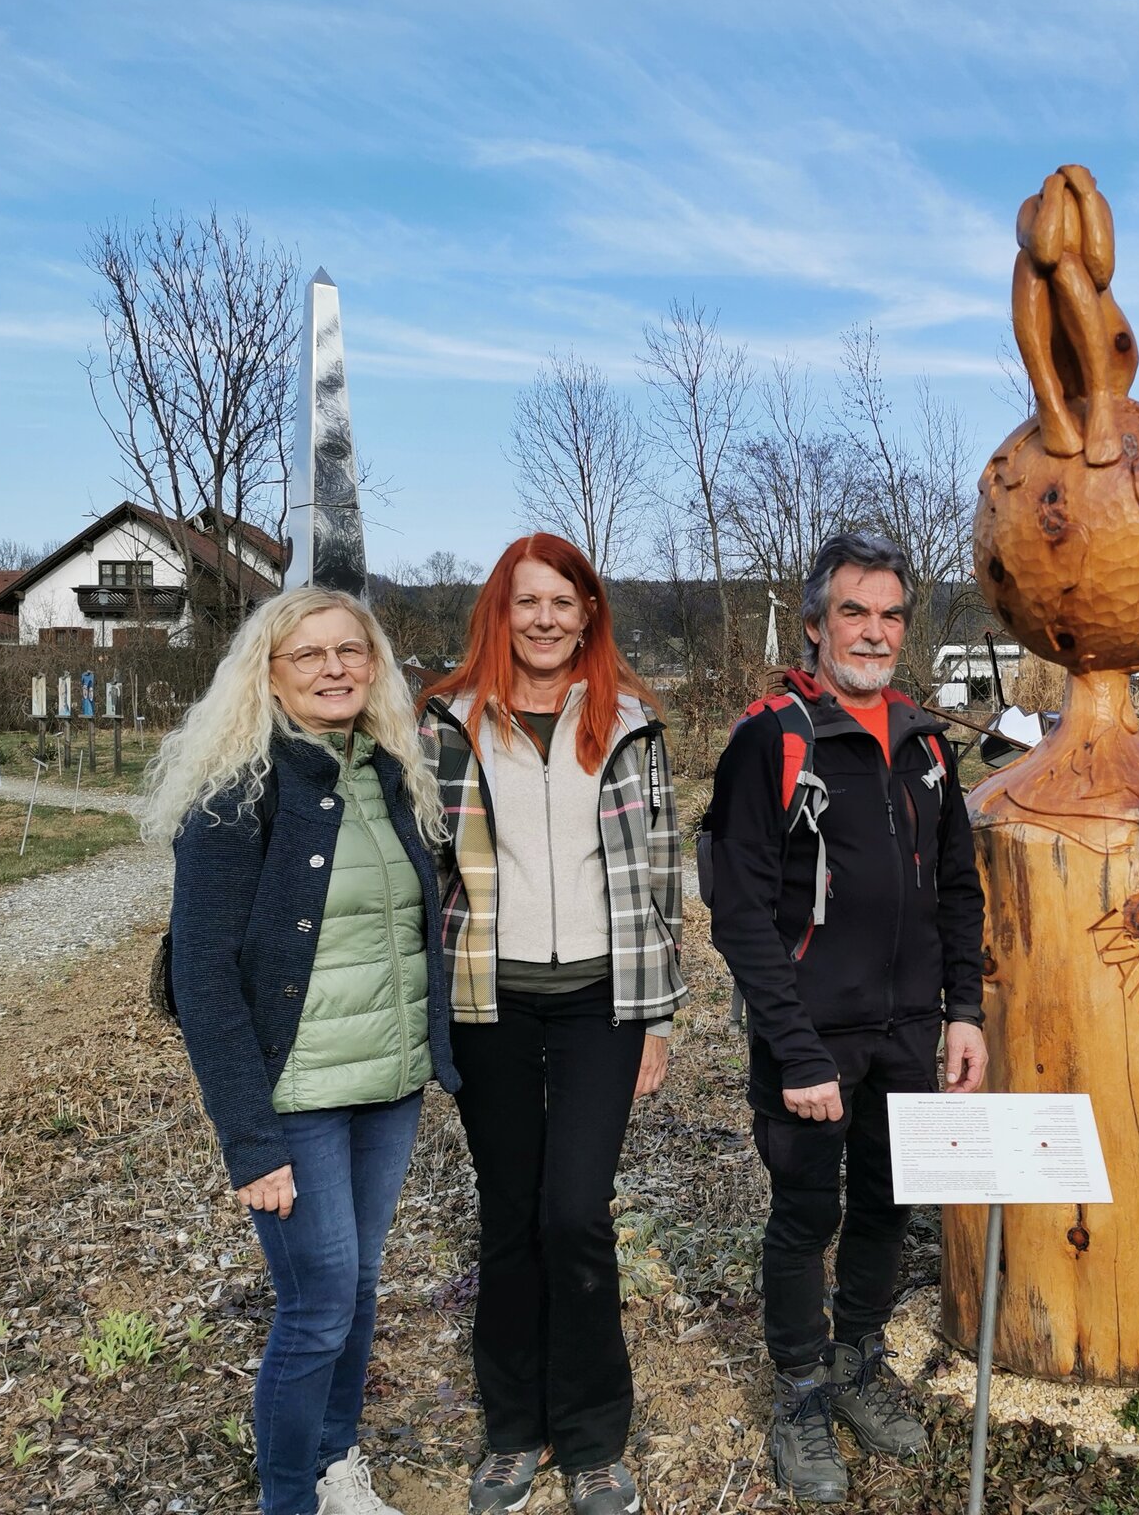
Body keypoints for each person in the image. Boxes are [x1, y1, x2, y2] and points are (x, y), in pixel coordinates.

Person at [145, 587, 458, 1515]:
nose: (335, 669)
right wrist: (251, 1142)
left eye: (351, 652)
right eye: (310, 655)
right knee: (316, 1304)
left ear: (375, 665)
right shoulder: (238, 793)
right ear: (269, 675)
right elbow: (202, 982)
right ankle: (290, 1497)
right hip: (297, 1094)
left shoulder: (391, 773)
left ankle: (335, 1464)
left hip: (388, 1083)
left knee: (356, 1287)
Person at [705, 531, 988, 1504]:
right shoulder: (771, 738)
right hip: (811, 1040)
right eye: (853, 613)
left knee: (886, 1203)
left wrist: (963, 1011)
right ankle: (797, 1395)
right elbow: (737, 910)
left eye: (889, 614)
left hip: (911, 1030)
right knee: (803, 1215)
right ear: (816, 625)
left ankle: (859, 1360)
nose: (872, 631)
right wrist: (792, 1046)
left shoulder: (926, 745)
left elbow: (957, 887)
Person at [418, 534, 683, 1515]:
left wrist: (655, 1018)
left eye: (561, 603)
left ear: (587, 615)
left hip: (598, 1003)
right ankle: (512, 1427)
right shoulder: (446, 722)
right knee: (510, 1213)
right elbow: (423, 871)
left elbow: (658, 876)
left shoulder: (630, 722)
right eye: (526, 602)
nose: (543, 619)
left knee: (574, 1213)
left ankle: (592, 1434)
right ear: (501, 610)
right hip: (485, 998)